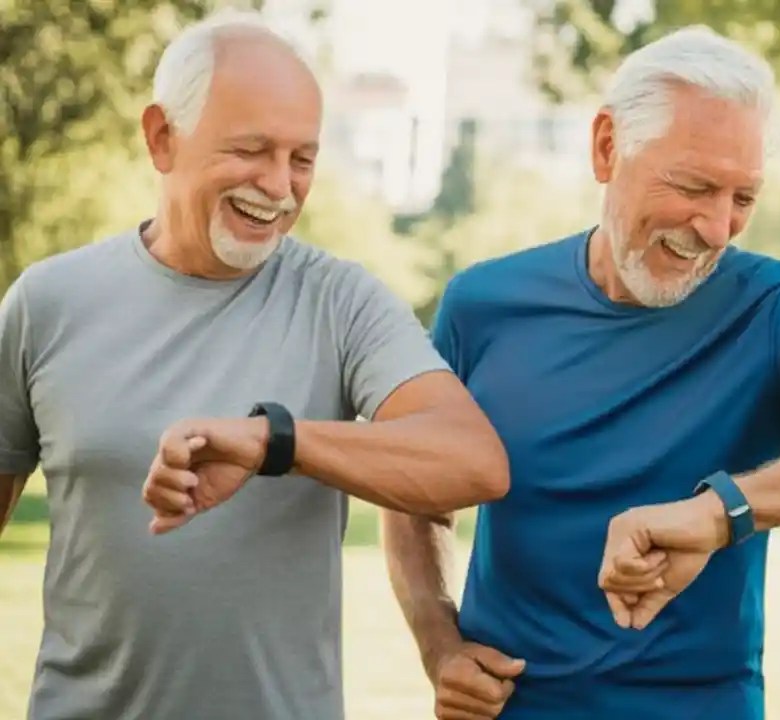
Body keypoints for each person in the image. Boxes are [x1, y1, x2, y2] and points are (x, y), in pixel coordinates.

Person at [381, 26, 780, 720]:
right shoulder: (482, 306)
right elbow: (415, 493)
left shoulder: (777, 309)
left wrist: (720, 512)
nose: (718, 228)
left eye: (742, 198)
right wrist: (437, 643)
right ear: (608, 147)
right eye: (693, 187)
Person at [0, 12, 509, 720]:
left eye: (302, 158)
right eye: (251, 150)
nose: (279, 186)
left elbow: (473, 462)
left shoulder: (342, 302)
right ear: (161, 137)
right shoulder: (45, 303)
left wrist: (279, 442)